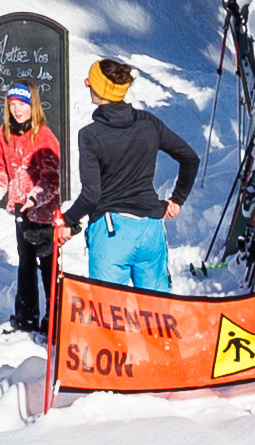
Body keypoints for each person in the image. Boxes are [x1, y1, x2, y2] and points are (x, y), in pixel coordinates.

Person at [73, 61, 196, 292]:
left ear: (98, 89)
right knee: (157, 315)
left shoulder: (90, 135)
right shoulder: (148, 123)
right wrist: (177, 199)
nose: (85, 83)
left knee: (109, 314)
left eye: (90, 82)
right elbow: (190, 158)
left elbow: (91, 195)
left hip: (112, 232)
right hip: (151, 230)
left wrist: (68, 221)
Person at [0, 90, 67, 335]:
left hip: (44, 214)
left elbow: (51, 180)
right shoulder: (5, 134)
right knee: (25, 265)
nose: (17, 110)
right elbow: (2, 169)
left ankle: (55, 321)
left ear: (33, 107)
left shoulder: (44, 137)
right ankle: (26, 317)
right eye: (13, 105)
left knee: (50, 269)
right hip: (21, 213)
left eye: (22, 105)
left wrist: (33, 198)